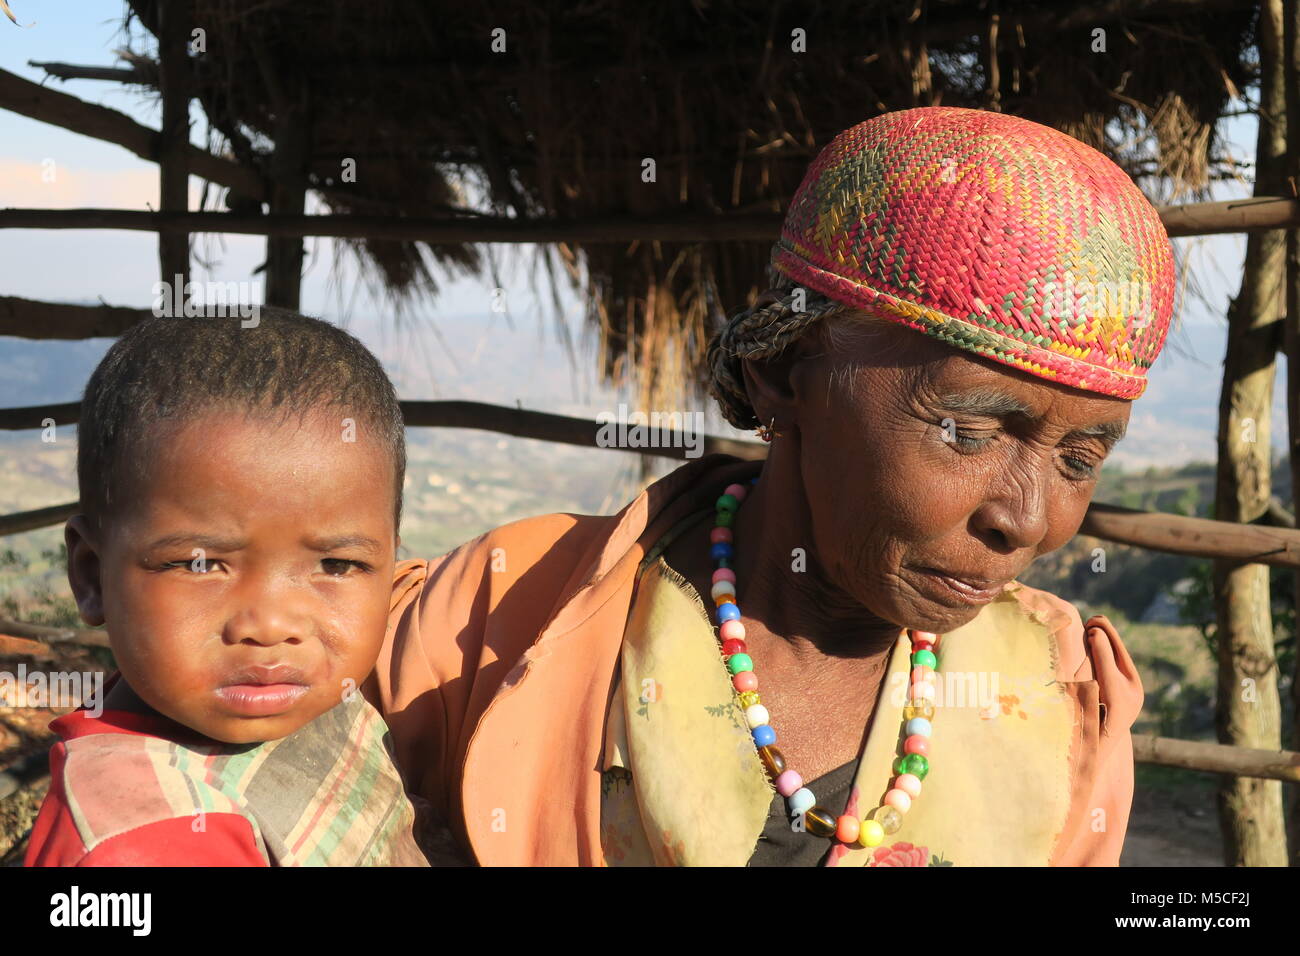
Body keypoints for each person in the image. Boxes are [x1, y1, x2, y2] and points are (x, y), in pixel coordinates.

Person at [366, 106, 1171, 866]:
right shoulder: (496, 618)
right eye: (968, 430)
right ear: (785, 373)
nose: (1025, 521)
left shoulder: (1063, 702)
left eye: (1080, 458)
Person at [25, 309, 429, 866]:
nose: (271, 625)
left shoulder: (311, 696)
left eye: (336, 565)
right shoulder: (143, 841)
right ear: (92, 575)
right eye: (199, 565)